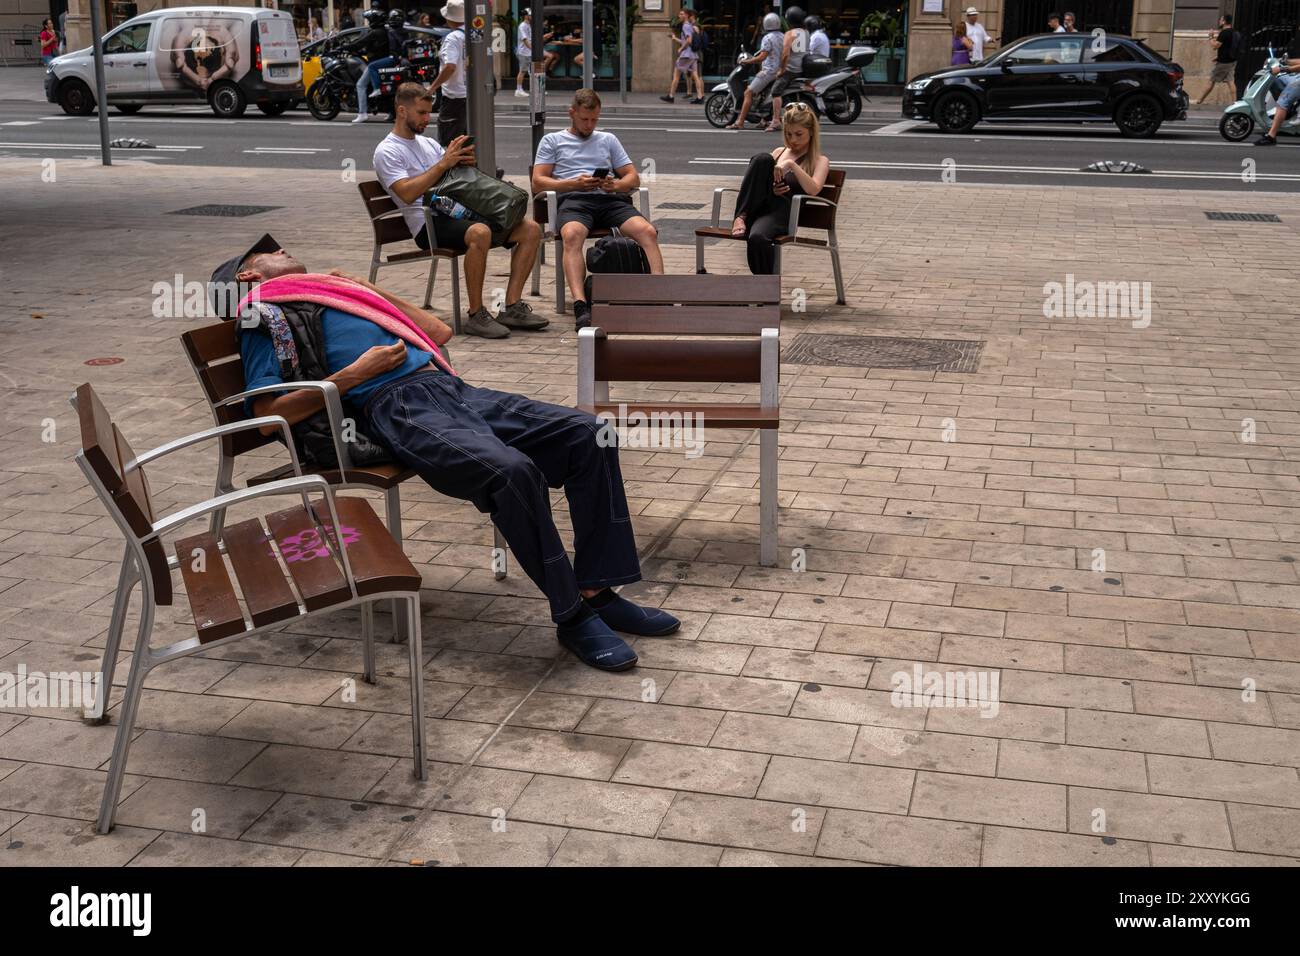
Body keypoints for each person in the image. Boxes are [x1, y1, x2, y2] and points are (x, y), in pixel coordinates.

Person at [209, 237, 679, 674]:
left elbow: (438, 332)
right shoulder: (263, 313)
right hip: (394, 406)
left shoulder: (335, 294)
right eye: (266, 253)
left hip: (452, 391)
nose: (282, 248)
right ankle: (571, 613)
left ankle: (598, 588)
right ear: (247, 277)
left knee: (588, 433)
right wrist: (354, 374)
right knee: (511, 471)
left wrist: (366, 288)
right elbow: (269, 414)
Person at [373, 84, 544, 337]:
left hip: (459, 212)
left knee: (530, 229)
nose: (426, 118)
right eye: (421, 113)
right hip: (428, 225)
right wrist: (444, 164)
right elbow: (407, 194)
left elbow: (453, 178)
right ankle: (476, 314)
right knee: (480, 232)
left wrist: (463, 163)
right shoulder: (387, 151)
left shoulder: (428, 143)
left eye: (429, 112)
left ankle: (511, 306)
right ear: (401, 111)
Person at [531, 89, 665, 330]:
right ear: (572, 113)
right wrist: (574, 183)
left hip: (609, 200)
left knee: (648, 231)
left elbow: (633, 177)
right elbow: (538, 181)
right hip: (574, 200)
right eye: (585, 119)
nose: (590, 125)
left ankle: (658, 294)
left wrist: (616, 185)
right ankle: (581, 304)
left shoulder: (608, 139)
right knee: (572, 236)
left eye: (594, 119)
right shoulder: (553, 140)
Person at [729, 102, 830, 275]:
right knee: (762, 159)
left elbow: (813, 189)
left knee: (758, 238)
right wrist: (771, 189)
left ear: (811, 132)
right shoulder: (778, 152)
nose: (793, 140)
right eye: (789, 134)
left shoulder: (820, 161)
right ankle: (740, 216)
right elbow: (758, 179)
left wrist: (791, 165)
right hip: (760, 206)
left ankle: (764, 289)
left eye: (799, 134)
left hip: (781, 213)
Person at [727, 12, 783, 130]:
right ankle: (764, 120)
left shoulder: (767, 38)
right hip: (778, 71)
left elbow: (762, 57)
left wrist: (748, 61)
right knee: (763, 94)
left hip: (769, 71)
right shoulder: (782, 36)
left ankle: (740, 122)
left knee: (748, 92)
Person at [429, 0, 467, 144]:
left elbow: (450, 66)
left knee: (449, 142)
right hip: (468, 95)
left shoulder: (453, 38)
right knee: (466, 141)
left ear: (449, 18)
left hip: (454, 97)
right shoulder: (471, 35)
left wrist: (432, 88)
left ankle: (452, 167)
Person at [769, 6, 809, 131]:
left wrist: (782, 70)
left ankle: (775, 120)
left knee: (775, 92)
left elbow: (785, 53)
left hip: (791, 70)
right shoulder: (806, 33)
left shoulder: (789, 33)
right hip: (801, 69)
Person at [352, 9, 395, 123]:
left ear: (374, 20)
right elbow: (373, 47)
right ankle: (392, 113)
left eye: (369, 20)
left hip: (376, 62)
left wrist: (345, 47)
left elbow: (360, 42)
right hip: (384, 60)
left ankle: (362, 113)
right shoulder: (384, 31)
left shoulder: (375, 32)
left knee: (360, 85)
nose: (369, 22)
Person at [1254, 55, 1300, 145]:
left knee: (1282, 103)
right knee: (1275, 80)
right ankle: (1287, 110)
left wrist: (1283, 69)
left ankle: (1271, 136)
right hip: (1297, 76)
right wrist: (1285, 61)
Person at [1199, 13, 1240, 105]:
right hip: (1231, 61)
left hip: (1223, 63)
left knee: (1211, 81)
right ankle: (1235, 102)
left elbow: (1215, 46)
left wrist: (1210, 36)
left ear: (1224, 21)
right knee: (1230, 81)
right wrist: (1218, 57)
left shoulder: (1224, 33)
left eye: (1221, 20)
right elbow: (1228, 47)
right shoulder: (1233, 32)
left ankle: (1199, 100)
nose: (1219, 21)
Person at [660, 7, 698, 103]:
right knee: (695, 75)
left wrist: (681, 48)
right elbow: (685, 40)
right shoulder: (689, 26)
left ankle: (671, 96)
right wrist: (674, 38)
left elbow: (689, 41)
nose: (679, 16)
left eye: (681, 14)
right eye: (679, 14)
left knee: (676, 75)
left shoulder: (685, 26)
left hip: (686, 55)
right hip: (692, 55)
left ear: (686, 15)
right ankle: (700, 96)